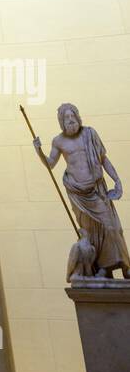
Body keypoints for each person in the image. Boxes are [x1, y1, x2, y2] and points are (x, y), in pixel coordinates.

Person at [34, 103, 129, 279]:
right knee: (91, 232)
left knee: (111, 227)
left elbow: (103, 160)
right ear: (61, 122)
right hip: (78, 194)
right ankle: (104, 269)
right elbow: (50, 164)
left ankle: (125, 265)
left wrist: (117, 180)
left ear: (78, 117)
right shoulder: (58, 141)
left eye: (72, 116)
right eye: (66, 118)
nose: (70, 121)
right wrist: (39, 151)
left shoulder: (90, 134)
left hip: (96, 190)